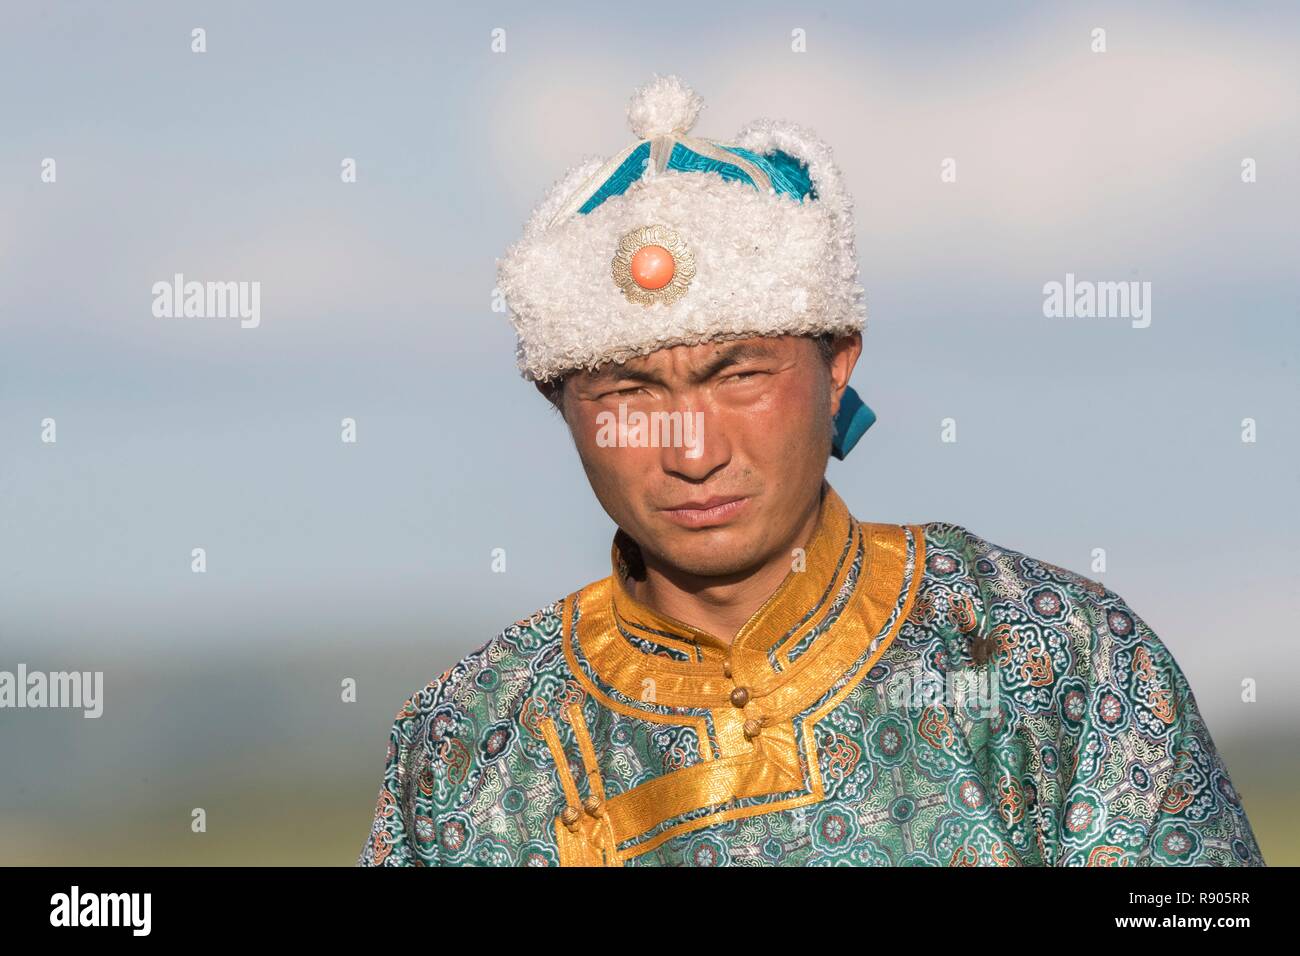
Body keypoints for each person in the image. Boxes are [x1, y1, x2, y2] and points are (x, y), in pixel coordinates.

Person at [357, 76, 1264, 867]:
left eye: (740, 375)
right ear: (563, 407)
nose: (693, 450)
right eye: (630, 391)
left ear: (837, 366)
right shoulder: (469, 743)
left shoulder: (1055, 656)